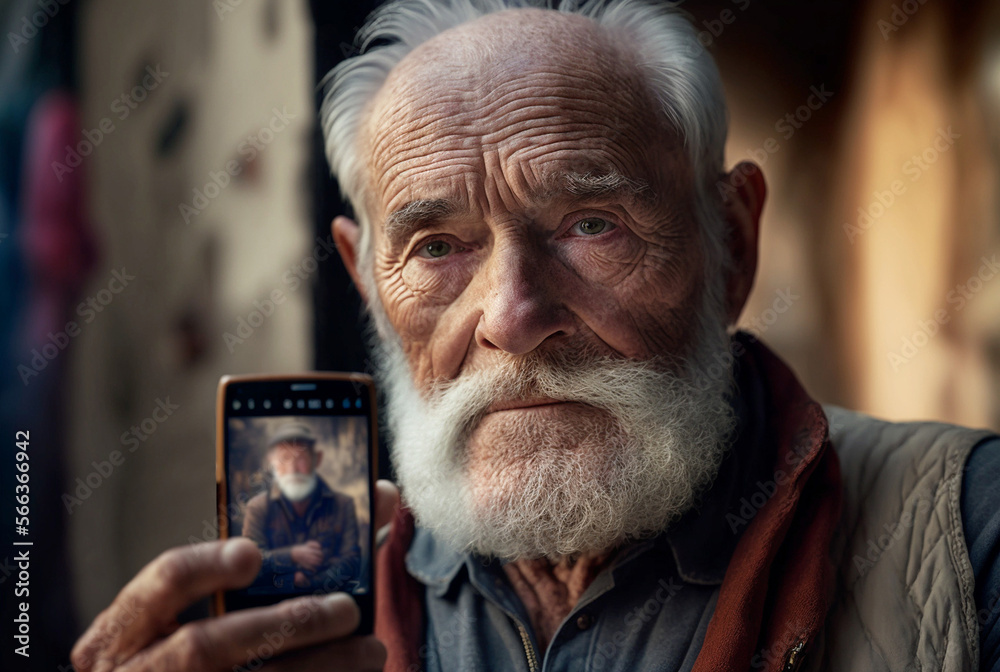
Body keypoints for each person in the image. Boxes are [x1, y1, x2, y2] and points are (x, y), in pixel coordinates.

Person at [71, 1, 1000, 671]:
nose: (513, 317)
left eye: (591, 224)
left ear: (734, 245)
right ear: (365, 282)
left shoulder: (966, 536)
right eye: (436, 247)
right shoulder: (313, 618)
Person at [241, 422, 362, 592]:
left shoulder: (343, 504)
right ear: (272, 463)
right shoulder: (258, 507)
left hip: (329, 602)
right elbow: (249, 564)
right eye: (284, 459)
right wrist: (292, 555)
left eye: (301, 458)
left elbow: (351, 563)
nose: (293, 469)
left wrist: (309, 582)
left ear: (317, 459)